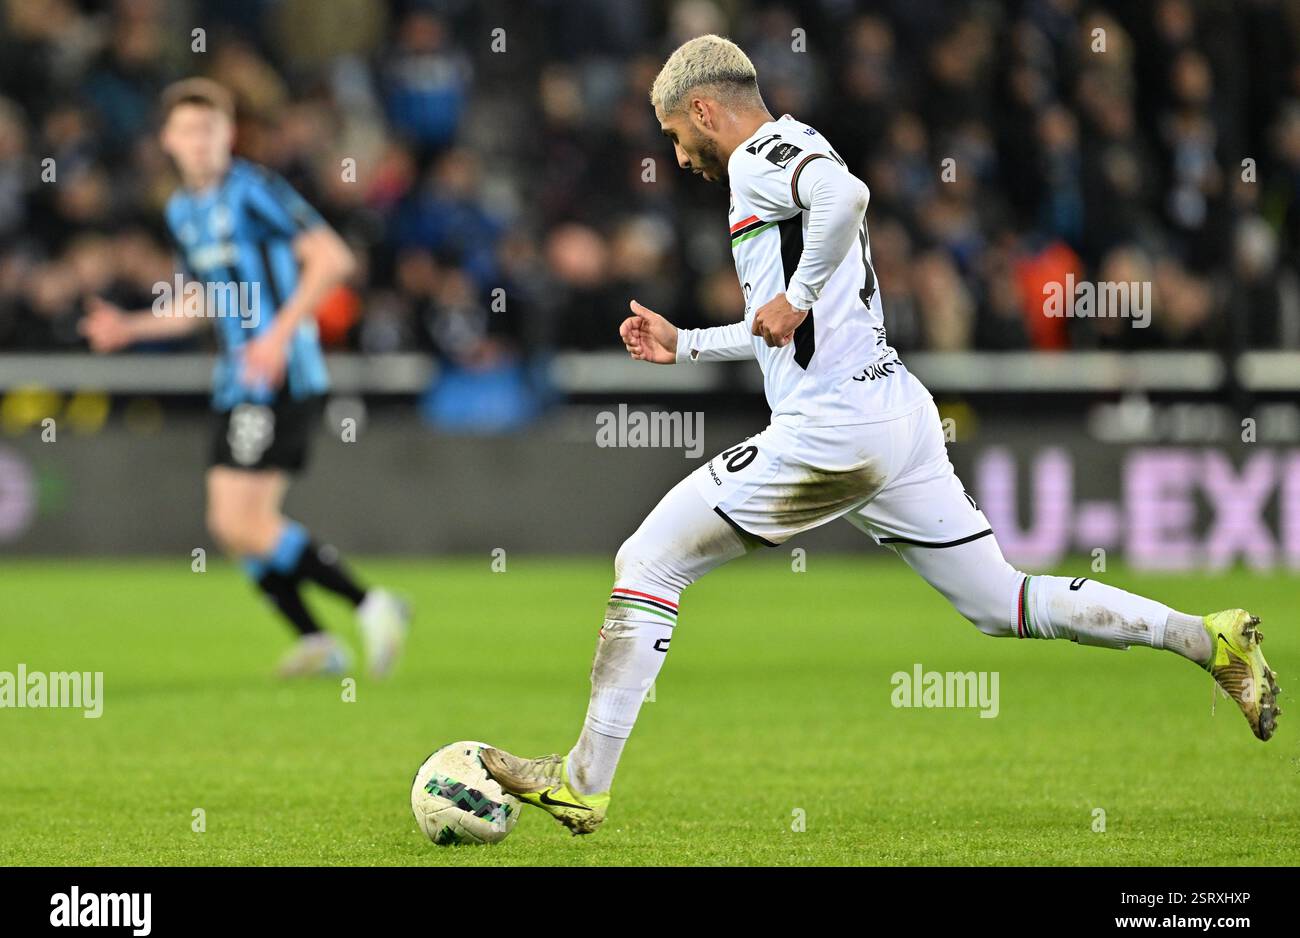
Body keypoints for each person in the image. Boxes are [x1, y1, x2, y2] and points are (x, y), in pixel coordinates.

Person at [477, 36, 1280, 836]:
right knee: (1002, 601)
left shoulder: (761, 158)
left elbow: (849, 200)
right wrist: (687, 343)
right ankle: (1205, 640)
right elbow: (784, 324)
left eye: (674, 135)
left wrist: (793, 294)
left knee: (648, 560)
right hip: (894, 412)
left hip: (834, 429)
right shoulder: (795, 145)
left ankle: (584, 782)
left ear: (702, 109)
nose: (677, 154)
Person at [80, 78, 408, 678]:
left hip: (282, 374)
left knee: (238, 523)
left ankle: (369, 603)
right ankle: (319, 640)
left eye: (211, 129)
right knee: (237, 528)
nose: (200, 141)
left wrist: (279, 335)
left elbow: (333, 258)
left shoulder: (253, 189)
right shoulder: (182, 210)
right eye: (188, 130)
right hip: (240, 379)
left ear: (228, 135)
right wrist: (130, 327)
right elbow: (204, 301)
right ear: (168, 140)